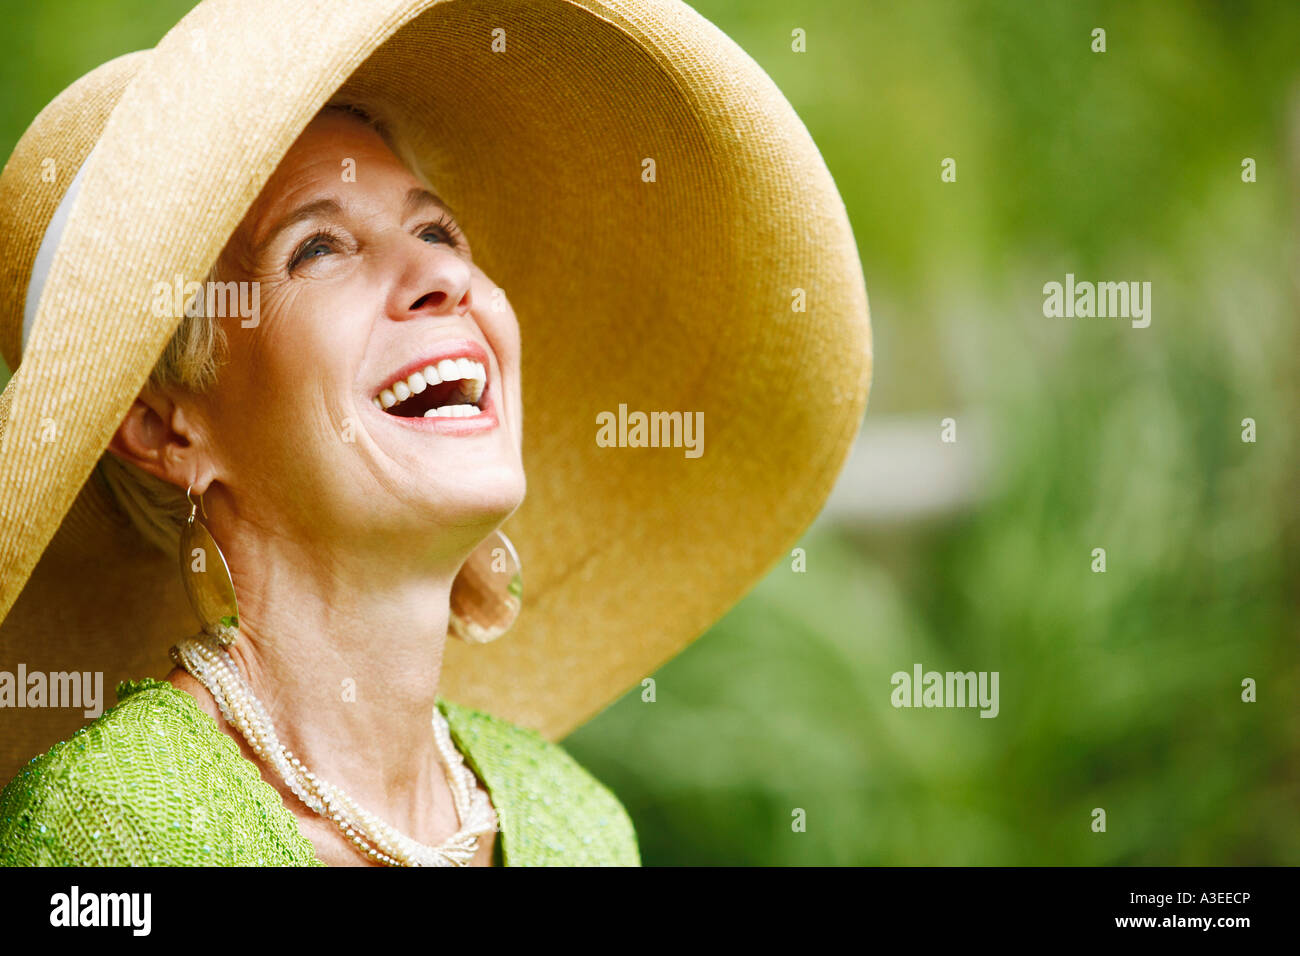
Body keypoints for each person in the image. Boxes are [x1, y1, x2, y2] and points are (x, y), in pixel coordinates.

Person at [0, 0, 871, 866]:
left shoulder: (579, 825)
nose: (443, 273)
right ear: (163, 428)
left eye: (436, 229)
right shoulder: (113, 832)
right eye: (318, 249)